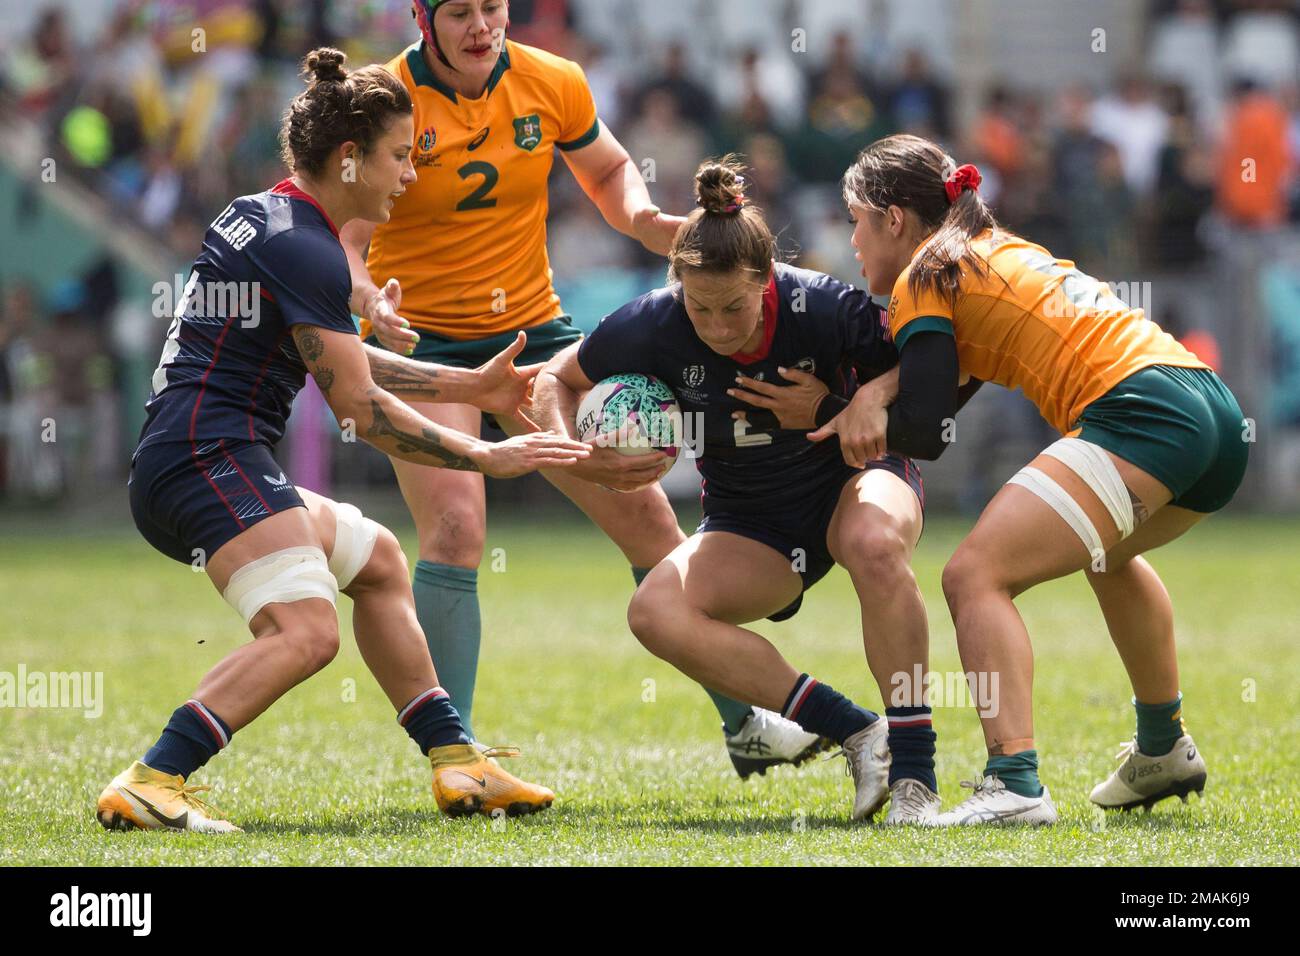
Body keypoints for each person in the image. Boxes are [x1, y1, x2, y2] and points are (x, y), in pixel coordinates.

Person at [97, 48, 590, 833]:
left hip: (197, 456)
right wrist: (483, 454)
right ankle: (154, 777)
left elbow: (348, 361)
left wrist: (471, 387)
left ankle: (457, 762)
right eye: (401, 156)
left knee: (379, 561)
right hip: (204, 462)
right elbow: (362, 410)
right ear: (350, 158)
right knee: (307, 630)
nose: (410, 175)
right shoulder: (307, 248)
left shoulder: (271, 213)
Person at [339, 0, 819, 775]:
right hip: (420, 342)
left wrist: (644, 220)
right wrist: (367, 297)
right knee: (458, 531)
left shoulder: (553, 80)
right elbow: (347, 234)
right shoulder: (385, 100)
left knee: (648, 516)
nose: (480, 27)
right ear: (422, 16)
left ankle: (747, 725)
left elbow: (605, 168)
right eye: (459, 12)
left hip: (535, 337)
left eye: (492, 8)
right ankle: (454, 755)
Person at [826, 133, 1247, 825]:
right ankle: (1162, 746)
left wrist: (832, 410)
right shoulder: (991, 252)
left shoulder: (923, 274)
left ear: (893, 219)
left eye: (856, 220)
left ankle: (1015, 781)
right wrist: (874, 396)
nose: (852, 240)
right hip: (1210, 410)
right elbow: (943, 387)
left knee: (973, 576)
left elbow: (925, 431)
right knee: (1110, 555)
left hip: (1141, 411)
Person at [535, 159, 942, 824]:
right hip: (756, 522)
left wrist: (847, 401)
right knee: (654, 612)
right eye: (701, 309)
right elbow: (554, 380)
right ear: (678, 291)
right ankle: (859, 734)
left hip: (854, 479)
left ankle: (915, 778)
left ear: (768, 284)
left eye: (735, 308)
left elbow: (927, 367)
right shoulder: (651, 323)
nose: (719, 327)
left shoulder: (824, 306)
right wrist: (582, 459)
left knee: (872, 544)